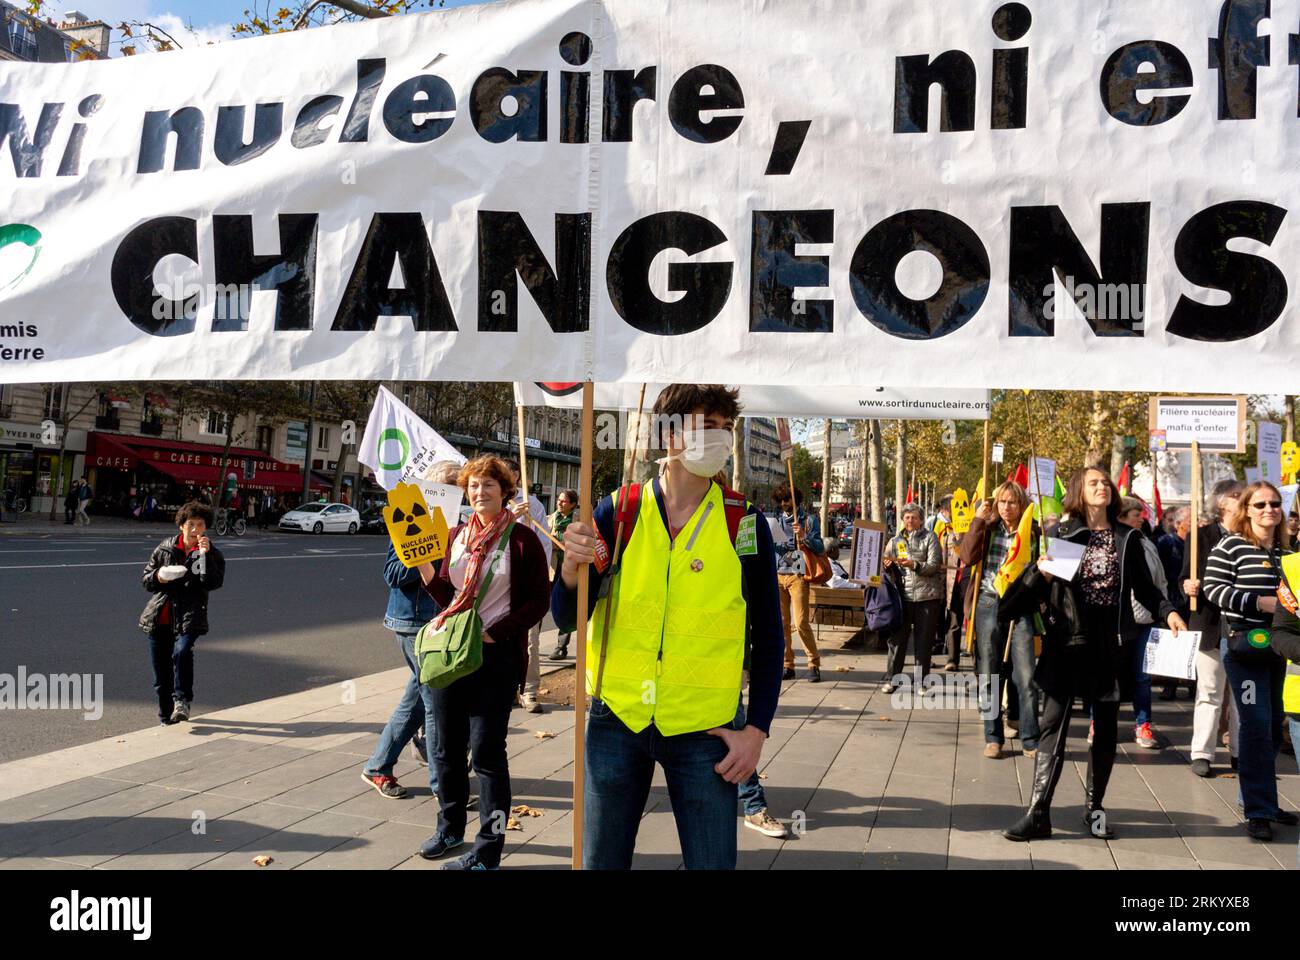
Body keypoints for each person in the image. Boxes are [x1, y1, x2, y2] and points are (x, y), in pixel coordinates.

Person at [553, 383, 784, 869]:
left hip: (708, 729)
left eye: (725, 428)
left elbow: (769, 636)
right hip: (616, 720)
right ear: (668, 435)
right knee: (601, 861)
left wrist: (757, 729)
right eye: (706, 425)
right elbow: (563, 615)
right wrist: (570, 571)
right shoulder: (620, 511)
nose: (719, 439)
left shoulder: (743, 522)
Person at [1001, 466, 1185, 842]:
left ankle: (1094, 811)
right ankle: (1038, 813)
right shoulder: (1068, 536)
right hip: (1067, 645)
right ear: (1078, 492)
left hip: (1108, 646)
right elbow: (1033, 594)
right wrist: (1043, 573)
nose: (1102, 487)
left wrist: (1170, 612)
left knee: (1104, 734)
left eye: (1105, 482)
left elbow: (1146, 591)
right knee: (1053, 728)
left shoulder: (1126, 538)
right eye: (1093, 483)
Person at [413, 455, 550, 870]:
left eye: (489, 485)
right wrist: (423, 565)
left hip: (494, 656)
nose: (479, 492)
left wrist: (496, 632)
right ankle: (450, 826)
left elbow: (538, 601)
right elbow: (446, 595)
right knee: (445, 748)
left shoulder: (522, 540)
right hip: (450, 654)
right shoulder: (455, 535)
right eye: (472, 486)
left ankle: (489, 849)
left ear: (504, 490)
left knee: (488, 753)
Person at [1202, 480, 1297, 841]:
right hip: (1245, 644)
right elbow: (1214, 589)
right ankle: (1257, 811)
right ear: (1246, 509)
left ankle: (1261, 801)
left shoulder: (1289, 551)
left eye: (1274, 504)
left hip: (1282, 648)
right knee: (1256, 725)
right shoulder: (1231, 546)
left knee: (1273, 726)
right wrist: (1259, 603)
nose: (1269, 510)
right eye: (1260, 505)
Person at [360, 462, 456, 798]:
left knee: (417, 700)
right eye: (449, 486)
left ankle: (377, 766)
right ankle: (443, 785)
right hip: (413, 623)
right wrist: (427, 552)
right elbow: (393, 574)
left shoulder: (455, 525)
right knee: (433, 701)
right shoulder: (411, 520)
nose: (455, 492)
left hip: (438, 622)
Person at [959, 481, 1040, 760]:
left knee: (1027, 675)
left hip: (1021, 606)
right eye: (1002, 502)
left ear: (1022, 505)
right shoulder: (989, 529)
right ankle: (993, 737)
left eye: (1012, 502)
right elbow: (967, 557)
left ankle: (1030, 738)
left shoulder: (1033, 532)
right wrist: (978, 521)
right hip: (988, 602)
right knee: (989, 673)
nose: (1006, 507)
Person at [138, 501, 226, 725]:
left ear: (206, 527)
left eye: (200, 524)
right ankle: (165, 718)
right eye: (190, 524)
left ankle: (183, 701)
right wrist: (159, 575)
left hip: (190, 614)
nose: (195, 529)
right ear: (181, 526)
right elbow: (146, 580)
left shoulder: (210, 552)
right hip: (161, 616)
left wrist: (204, 555)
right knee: (161, 676)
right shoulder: (166, 548)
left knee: (182, 651)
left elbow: (213, 582)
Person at [1182, 480, 1244, 777]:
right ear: (1221, 503)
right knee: (1209, 692)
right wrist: (1188, 586)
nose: (1242, 500)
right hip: (1209, 623)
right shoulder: (1200, 537)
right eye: (1236, 496)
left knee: (1244, 693)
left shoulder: (1251, 536)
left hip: (1244, 625)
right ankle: (1202, 753)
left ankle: (1240, 752)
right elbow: (1182, 578)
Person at [1117, 496, 1168, 749]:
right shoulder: (1116, 542)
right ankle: (1098, 722)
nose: (1141, 519)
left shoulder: (1146, 543)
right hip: (1118, 620)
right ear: (1122, 518)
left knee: (1143, 676)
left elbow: (1157, 582)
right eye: (1136, 515)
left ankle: (1143, 724)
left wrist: (1165, 609)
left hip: (1146, 620)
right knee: (1109, 674)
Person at [502, 458, 552, 714]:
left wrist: (540, 578)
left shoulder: (531, 504)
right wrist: (509, 517)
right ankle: (508, 689)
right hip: (499, 586)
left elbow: (543, 542)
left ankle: (529, 691)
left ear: (517, 476)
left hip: (526, 584)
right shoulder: (495, 503)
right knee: (502, 638)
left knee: (530, 639)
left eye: (508, 472)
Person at [881, 503, 944, 693]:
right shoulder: (895, 540)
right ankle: (892, 679)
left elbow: (934, 565)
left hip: (928, 598)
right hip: (903, 598)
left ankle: (922, 681)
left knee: (923, 642)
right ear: (902, 519)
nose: (910, 520)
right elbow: (886, 564)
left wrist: (914, 564)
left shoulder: (930, 537)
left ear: (921, 520)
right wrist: (886, 565)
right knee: (897, 641)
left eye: (914, 517)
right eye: (907, 517)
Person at [772, 482, 824, 682]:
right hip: (777, 573)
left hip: (798, 574)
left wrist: (803, 536)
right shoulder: (775, 519)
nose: (784, 504)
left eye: (787, 500)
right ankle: (788, 664)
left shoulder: (808, 519)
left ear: (796, 499)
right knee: (782, 623)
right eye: (781, 500)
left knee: (801, 622)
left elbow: (820, 547)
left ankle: (813, 663)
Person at [548, 489, 579, 660]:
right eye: (558, 500)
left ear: (573, 504)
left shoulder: (579, 520)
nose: (559, 503)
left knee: (566, 607)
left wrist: (563, 544)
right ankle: (533, 642)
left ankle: (561, 646)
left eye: (564, 501)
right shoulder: (549, 519)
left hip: (569, 569)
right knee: (543, 603)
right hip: (552, 568)